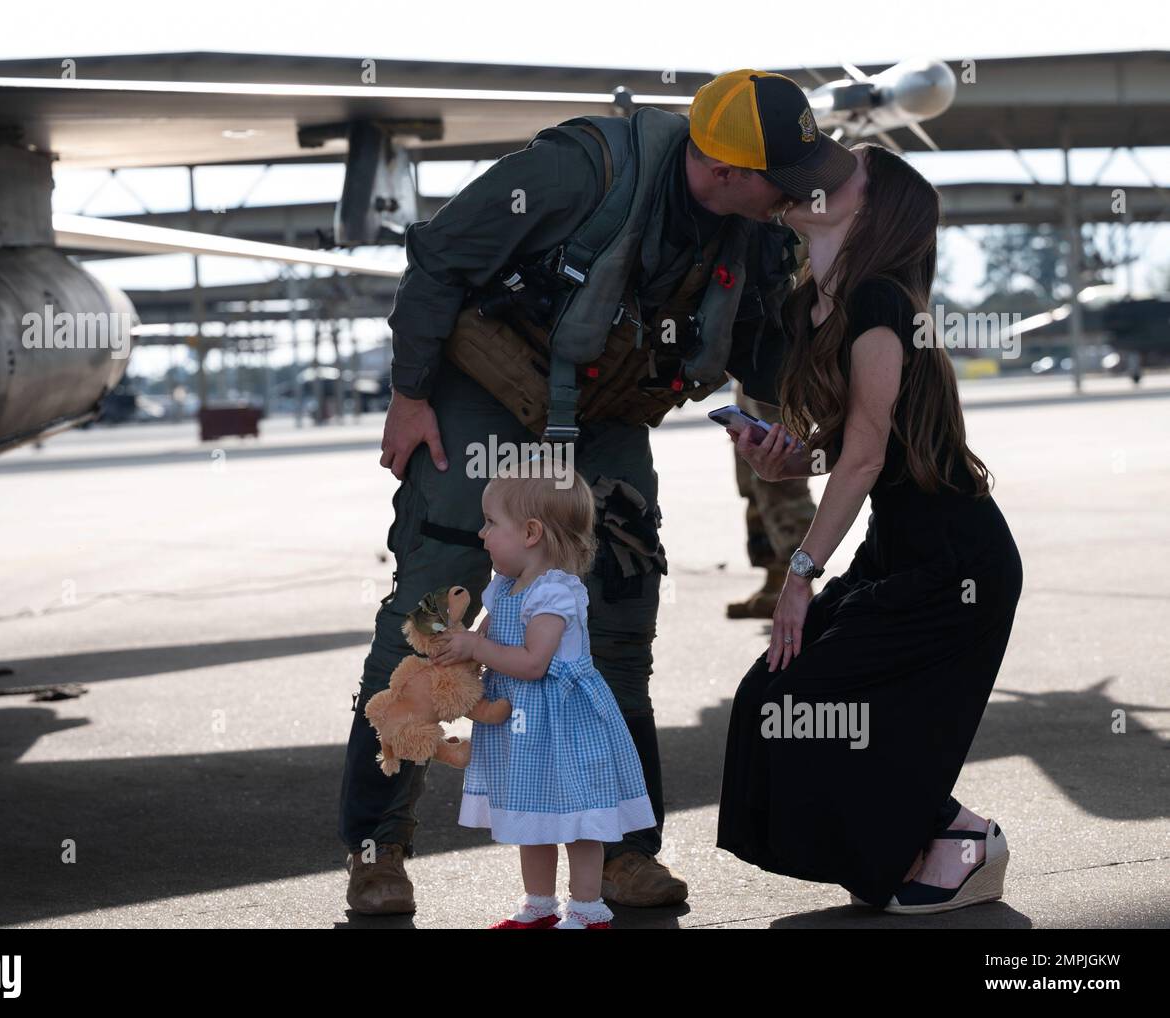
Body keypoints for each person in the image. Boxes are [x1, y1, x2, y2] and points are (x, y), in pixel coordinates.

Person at [338, 67, 858, 915]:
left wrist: (796, 418)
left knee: (616, 633)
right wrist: (409, 393)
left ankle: (622, 852)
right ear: (724, 169)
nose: (796, 197)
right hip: (485, 398)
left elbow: (762, 351)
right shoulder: (581, 172)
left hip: (605, 419)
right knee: (431, 622)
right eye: (783, 181)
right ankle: (377, 850)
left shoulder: (755, 232)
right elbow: (438, 258)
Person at [715, 142, 1024, 914]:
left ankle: (962, 835)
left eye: (845, 170)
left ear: (872, 206)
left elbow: (864, 459)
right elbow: (850, 447)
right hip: (899, 552)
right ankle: (936, 836)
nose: (820, 175)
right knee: (774, 699)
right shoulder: (809, 307)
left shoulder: (885, 301)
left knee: (818, 706)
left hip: (958, 560)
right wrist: (789, 462)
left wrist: (798, 576)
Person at [428, 464, 655, 929]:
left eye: (491, 522)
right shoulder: (506, 588)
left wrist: (478, 647)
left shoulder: (554, 593)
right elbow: (485, 638)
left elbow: (534, 662)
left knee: (576, 819)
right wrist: (459, 650)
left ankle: (588, 909)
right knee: (533, 816)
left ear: (530, 532)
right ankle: (538, 904)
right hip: (523, 728)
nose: (482, 532)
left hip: (563, 724)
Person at [725, 378, 818, 619]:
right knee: (752, 475)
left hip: (780, 364)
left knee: (783, 473)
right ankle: (776, 579)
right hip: (747, 365)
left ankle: (800, 586)